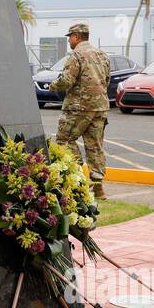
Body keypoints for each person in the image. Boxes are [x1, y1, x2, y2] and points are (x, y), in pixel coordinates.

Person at [50, 22, 111, 199]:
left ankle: (77, 178)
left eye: (70, 37)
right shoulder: (102, 55)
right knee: (95, 145)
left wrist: (52, 86)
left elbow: (66, 80)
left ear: (76, 36)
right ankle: (98, 186)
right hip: (100, 107)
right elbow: (106, 80)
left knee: (64, 140)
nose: (69, 40)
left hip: (78, 107)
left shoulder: (76, 55)